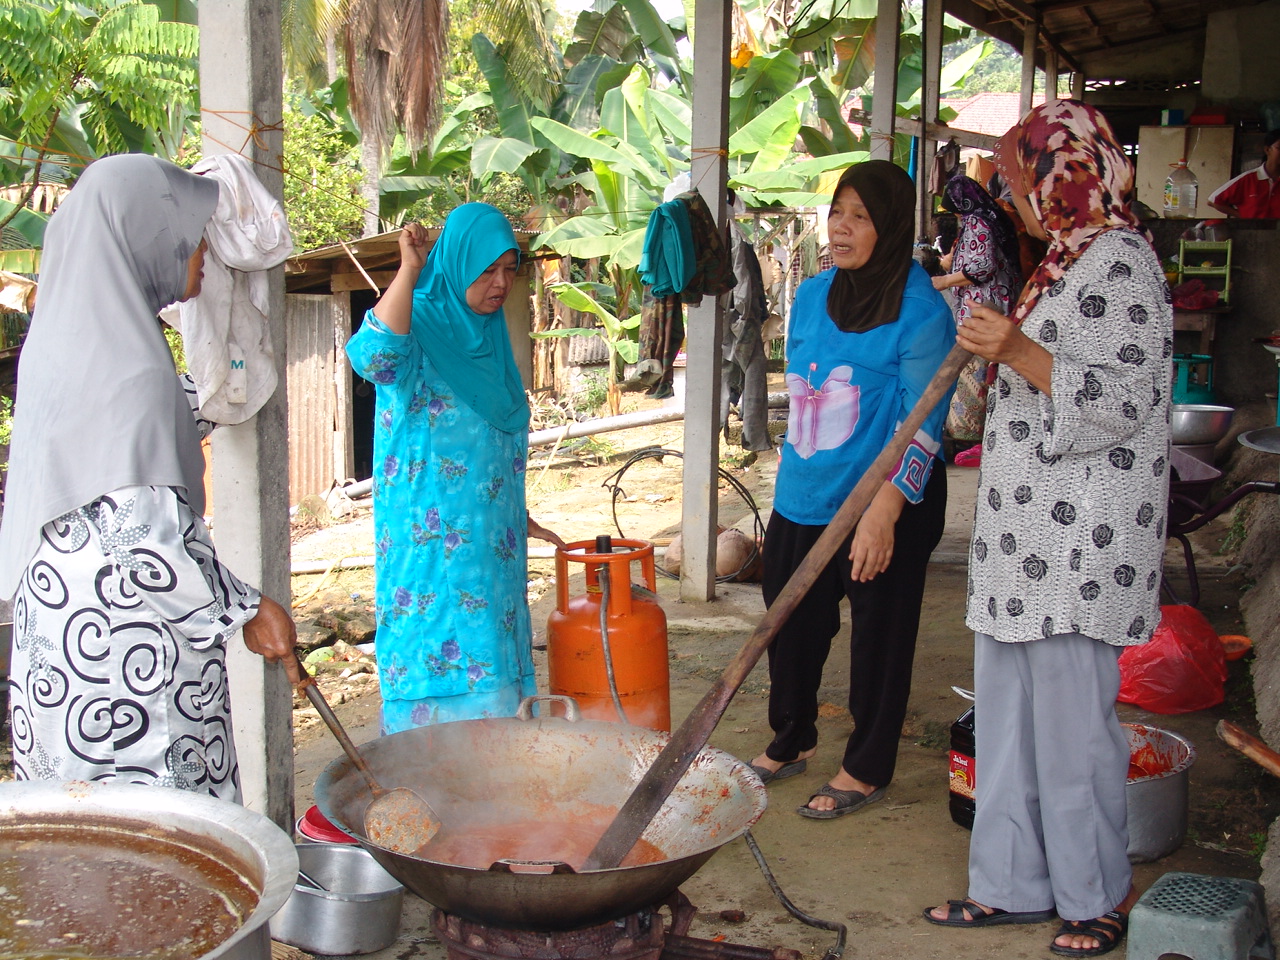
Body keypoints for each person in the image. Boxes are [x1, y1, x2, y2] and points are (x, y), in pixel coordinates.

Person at [924, 99, 1172, 958]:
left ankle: (1095, 896)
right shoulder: (1063, 264)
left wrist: (1019, 351)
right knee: (1008, 722)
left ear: (1068, 176)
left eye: (1021, 179)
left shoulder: (1122, 264)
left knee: (1071, 734)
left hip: (1079, 545)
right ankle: (1009, 886)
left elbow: (1126, 401)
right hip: (1022, 542)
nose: (1012, 198)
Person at [0, 154, 300, 800]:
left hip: (63, 647)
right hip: (123, 666)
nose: (203, 251)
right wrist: (249, 609)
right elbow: (140, 539)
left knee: (84, 838)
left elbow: (135, 434)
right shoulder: (128, 372)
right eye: (191, 236)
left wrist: (220, 385)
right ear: (144, 237)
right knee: (156, 840)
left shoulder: (69, 348)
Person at [748, 160, 955, 819]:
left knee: (879, 638)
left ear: (889, 228)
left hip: (884, 501)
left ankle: (866, 767)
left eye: (860, 217)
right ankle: (792, 737)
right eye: (837, 212)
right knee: (788, 620)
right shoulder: (812, 294)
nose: (841, 227)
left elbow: (924, 422)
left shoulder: (921, 313)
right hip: (805, 489)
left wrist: (884, 510)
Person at [346, 204, 563, 734]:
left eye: (508, 269)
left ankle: (494, 768)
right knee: (440, 661)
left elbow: (494, 452)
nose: (500, 283)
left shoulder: (489, 342)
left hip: (492, 550)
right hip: (430, 550)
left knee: (495, 658)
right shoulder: (420, 325)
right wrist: (409, 270)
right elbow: (374, 357)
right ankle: (434, 767)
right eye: (486, 270)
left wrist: (517, 515)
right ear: (458, 263)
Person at [931, 176, 1023, 460]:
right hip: (995, 305)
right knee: (987, 372)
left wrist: (945, 280)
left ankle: (968, 435)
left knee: (975, 371)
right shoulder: (990, 218)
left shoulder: (976, 222)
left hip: (982, 308)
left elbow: (982, 266)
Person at [1207, 128, 1280, 218]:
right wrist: (1242, 216)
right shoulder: (1248, 179)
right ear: (1267, 150)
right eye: (1279, 148)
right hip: (1253, 227)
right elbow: (1213, 201)